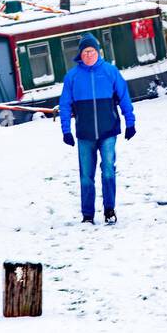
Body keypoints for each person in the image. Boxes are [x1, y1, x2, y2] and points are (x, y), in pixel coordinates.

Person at [59, 32, 135, 224]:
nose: (88, 55)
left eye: (91, 51)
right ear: (80, 54)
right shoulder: (72, 77)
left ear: (98, 52)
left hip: (108, 131)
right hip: (85, 134)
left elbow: (125, 98)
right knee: (86, 176)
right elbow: (65, 105)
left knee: (108, 170)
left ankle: (109, 209)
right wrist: (66, 130)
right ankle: (87, 215)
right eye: (85, 52)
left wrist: (130, 122)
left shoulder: (110, 72)